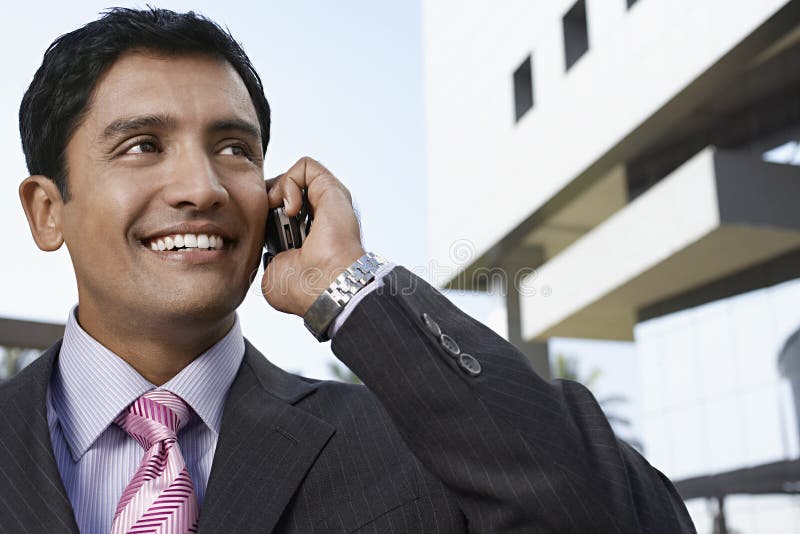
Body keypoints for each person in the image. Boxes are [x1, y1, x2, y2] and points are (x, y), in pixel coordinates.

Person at [0, 7, 696, 534]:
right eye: (144, 145)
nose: (203, 187)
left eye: (234, 148)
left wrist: (352, 287)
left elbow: (621, 518)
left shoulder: (416, 450)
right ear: (46, 211)